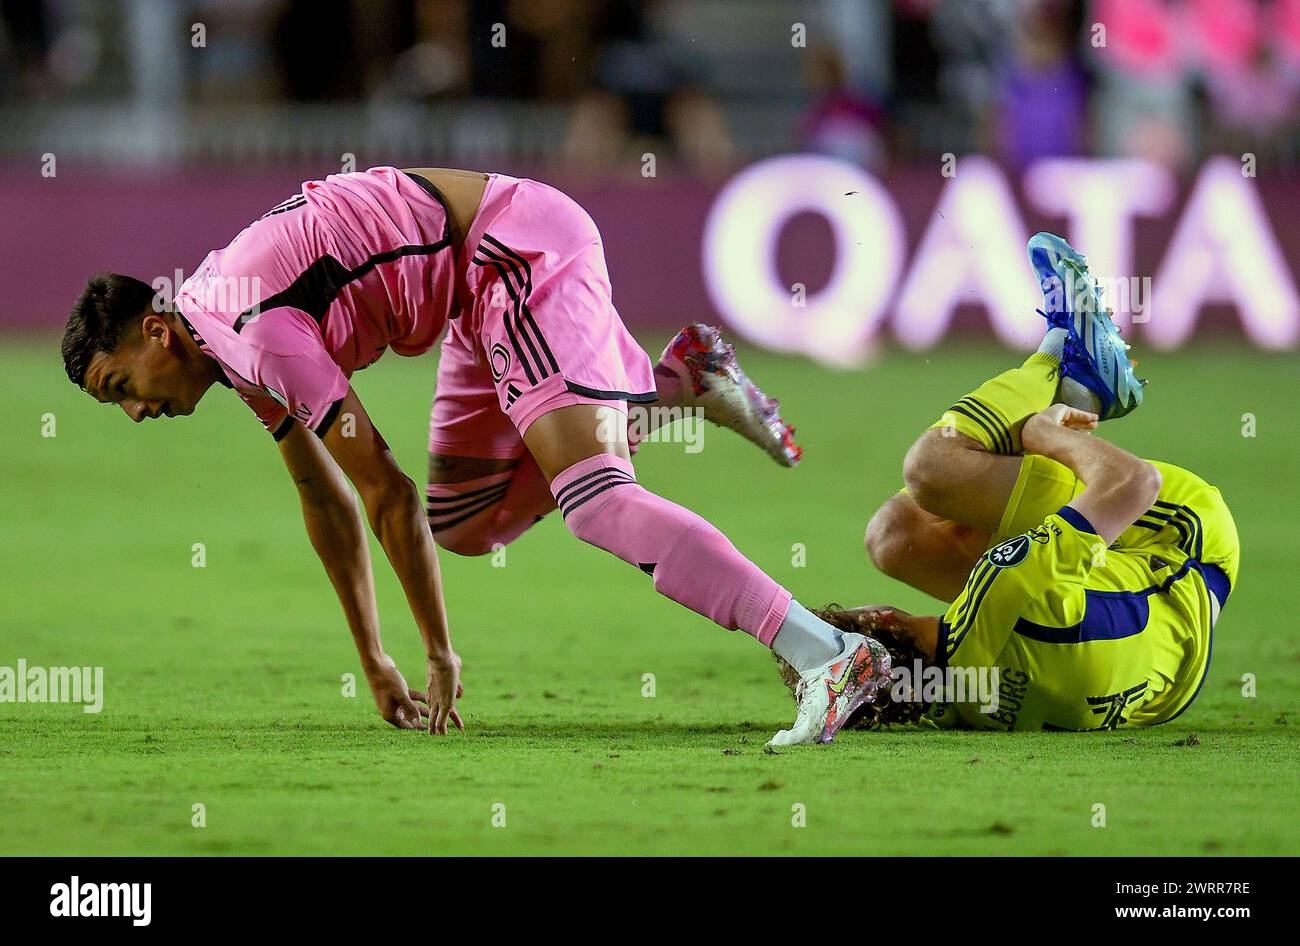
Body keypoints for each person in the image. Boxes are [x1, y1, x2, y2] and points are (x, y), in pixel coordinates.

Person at [60, 165, 891, 744]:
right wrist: (376, 659)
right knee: (465, 521)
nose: (134, 412)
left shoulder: (253, 334)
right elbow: (328, 502)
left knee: (596, 502)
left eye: (119, 385)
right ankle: (680, 382)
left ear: (156, 333)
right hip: (469, 298)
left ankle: (827, 653)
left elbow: (383, 491)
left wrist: (437, 651)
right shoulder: (224, 333)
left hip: (510, 251)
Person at [784, 233, 1239, 731]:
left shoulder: (954, 707)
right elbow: (1136, 484)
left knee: (894, 539)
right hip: (1184, 549)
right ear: (884, 619)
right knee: (932, 470)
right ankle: (1068, 364)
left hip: (1171, 675)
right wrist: (1041, 434)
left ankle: (1064, 396)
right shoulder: (1005, 584)